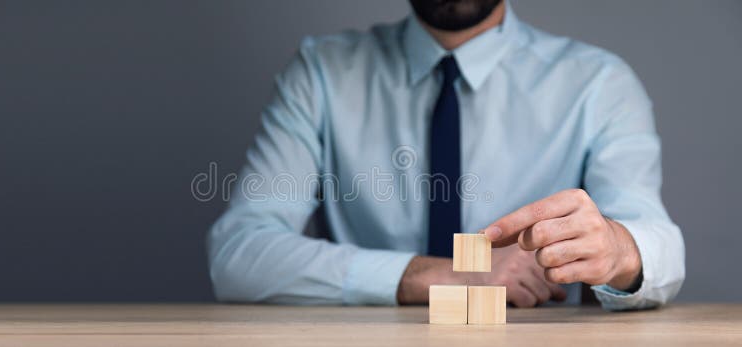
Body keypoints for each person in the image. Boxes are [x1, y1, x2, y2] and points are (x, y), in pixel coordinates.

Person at [207, 0, 684, 310]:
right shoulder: (321, 74)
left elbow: (659, 243)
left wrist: (618, 249)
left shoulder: (599, 85)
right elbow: (238, 255)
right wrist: (440, 277)